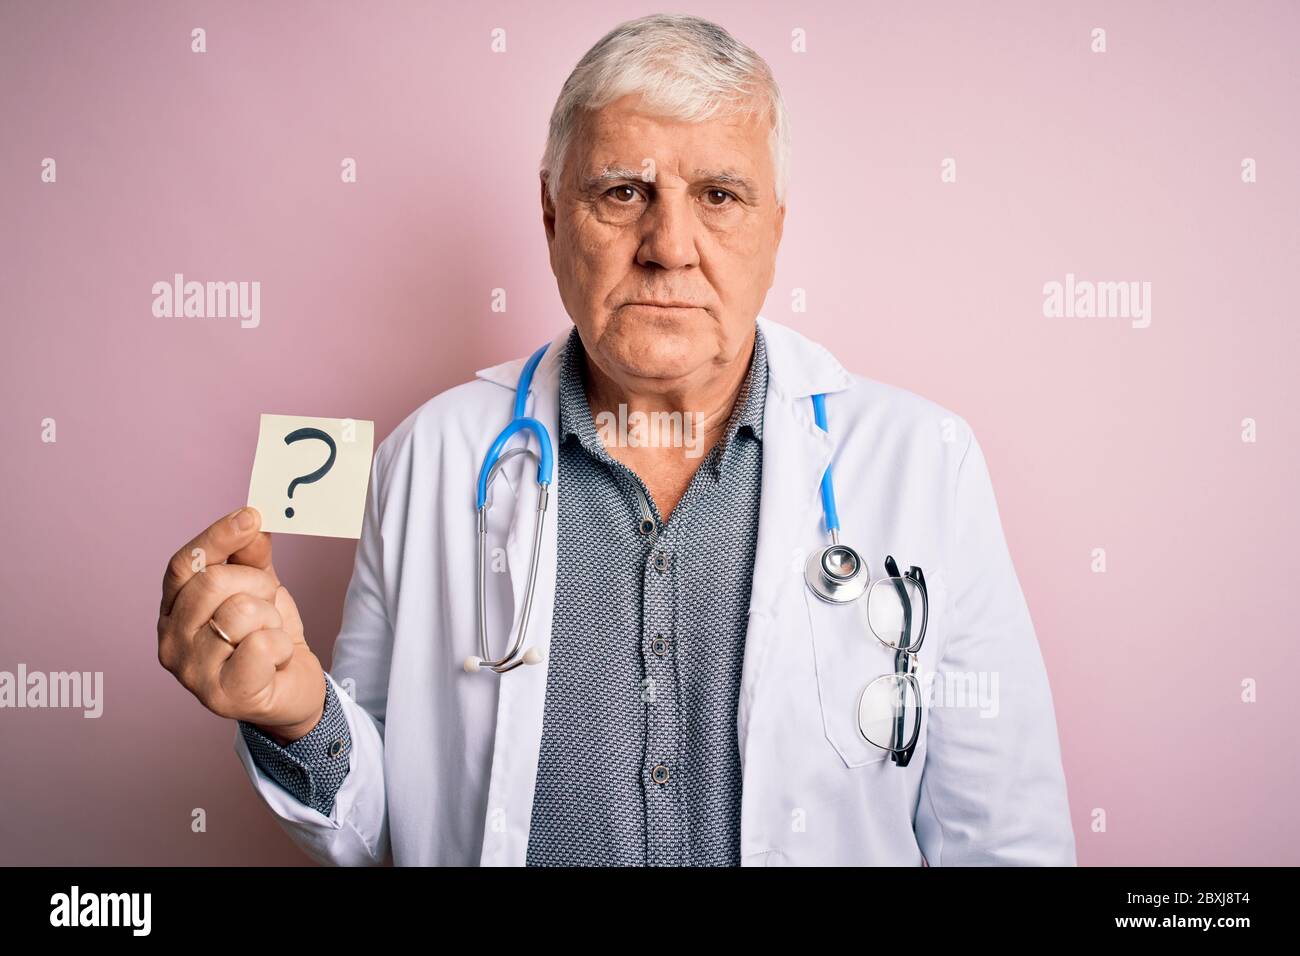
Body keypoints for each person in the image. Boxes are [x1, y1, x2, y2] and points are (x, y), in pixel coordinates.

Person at [155, 13, 1075, 866]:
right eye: (623, 192)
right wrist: (294, 715)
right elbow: (384, 823)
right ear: (552, 218)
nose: (669, 245)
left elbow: (1003, 834)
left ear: (776, 231)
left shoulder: (925, 464)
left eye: (719, 194)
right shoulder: (427, 460)